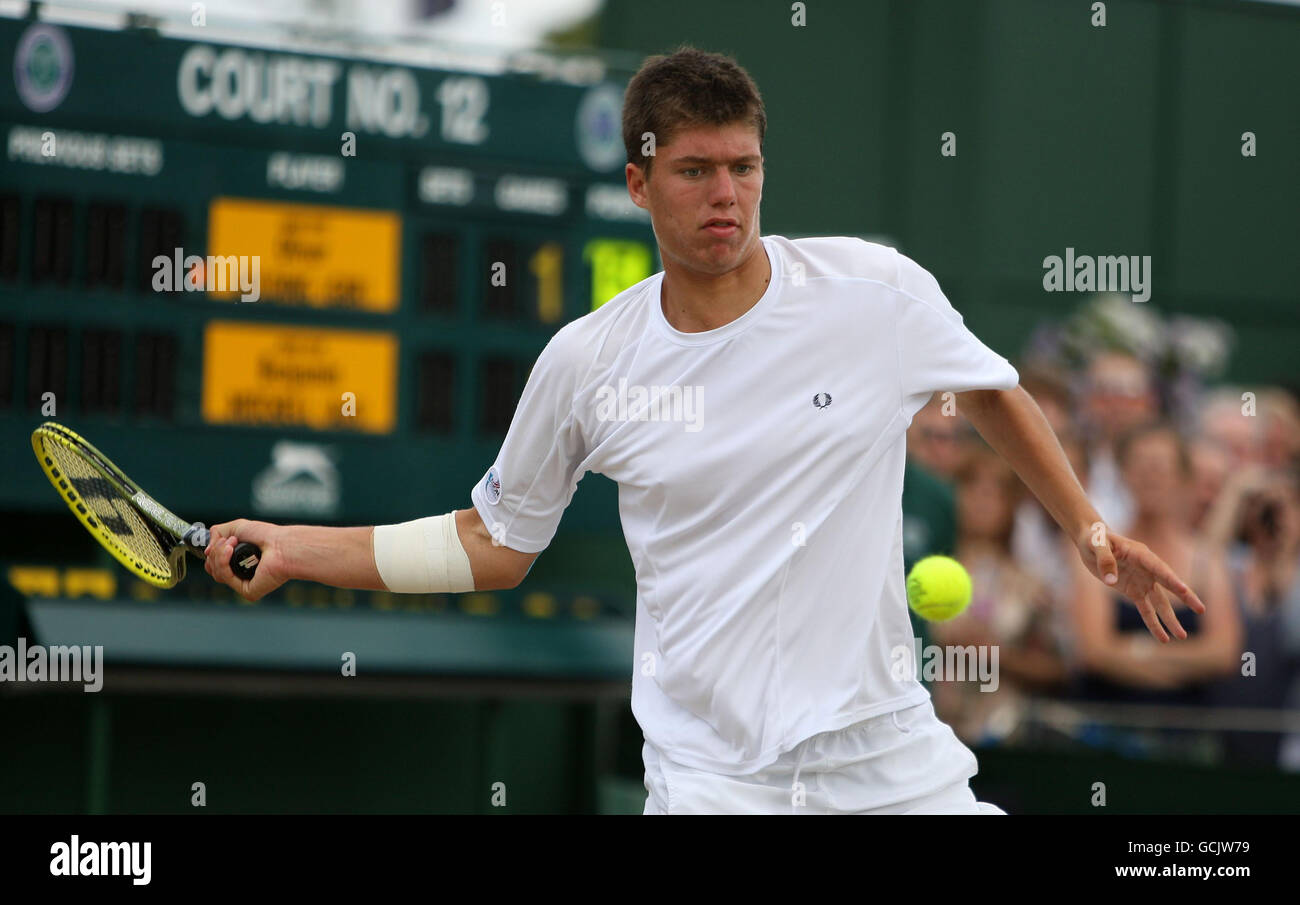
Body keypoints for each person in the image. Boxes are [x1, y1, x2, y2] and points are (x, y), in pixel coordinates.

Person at [201, 47, 1206, 815]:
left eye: (742, 167)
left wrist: (1087, 530)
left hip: (891, 760)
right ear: (638, 184)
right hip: (711, 779)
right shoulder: (588, 362)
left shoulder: (874, 292)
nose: (726, 194)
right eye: (693, 171)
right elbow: (494, 541)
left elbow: (989, 391)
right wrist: (295, 548)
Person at [930, 443, 1067, 746]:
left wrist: (999, 656)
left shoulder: (1030, 585)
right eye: (971, 486)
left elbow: (1058, 669)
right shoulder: (919, 570)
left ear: (1012, 505)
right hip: (927, 730)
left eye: (996, 491)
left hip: (1002, 737)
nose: (982, 500)